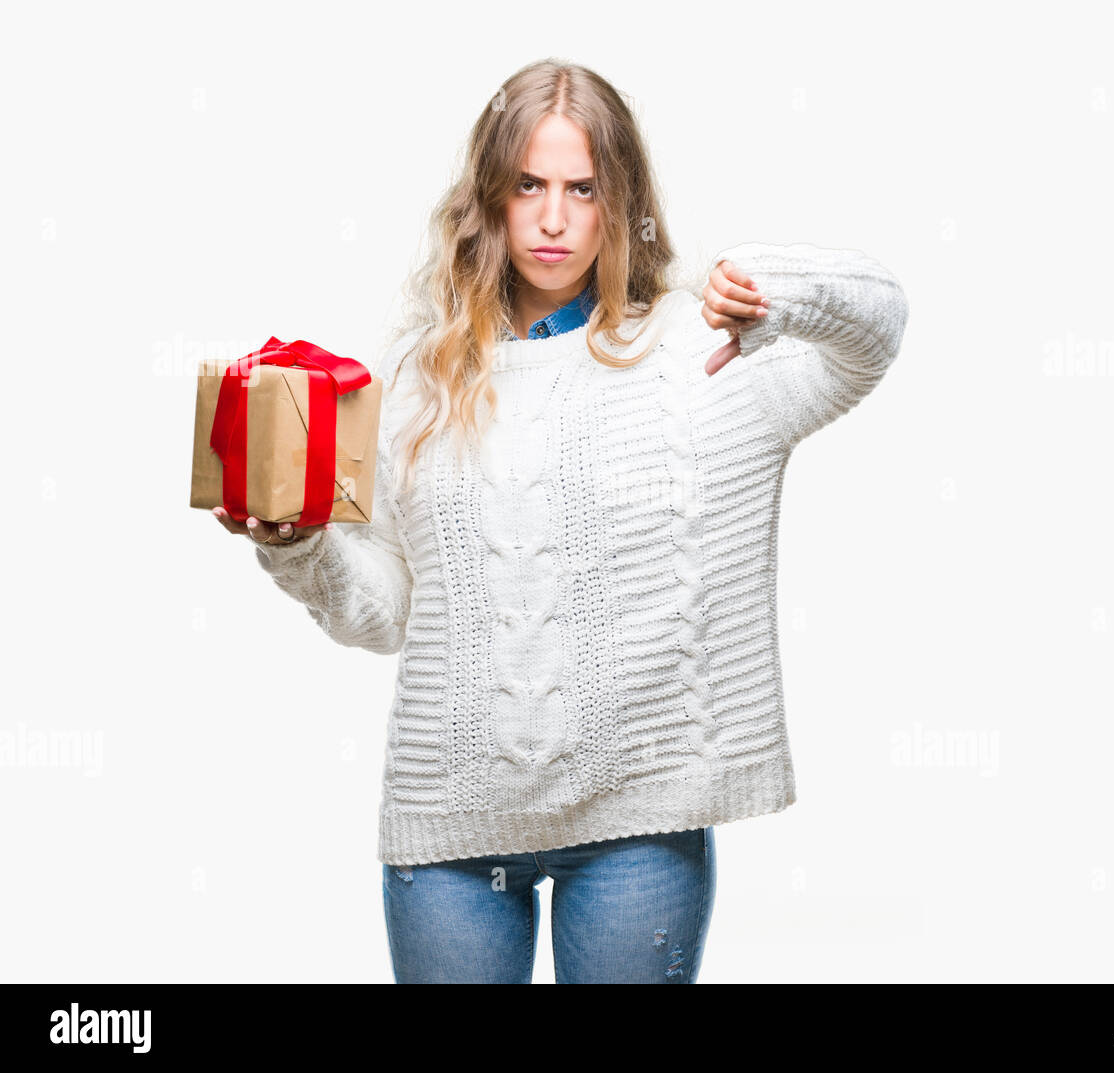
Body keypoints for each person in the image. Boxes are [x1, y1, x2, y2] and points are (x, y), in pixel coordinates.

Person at [212, 59, 909, 984]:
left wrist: (773, 289)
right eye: (528, 186)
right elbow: (385, 612)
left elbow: (876, 332)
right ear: (489, 199)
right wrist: (297, 546)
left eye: (582, 189)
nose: (552, 218)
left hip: (638, 825)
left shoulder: (702, 356)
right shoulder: (421, 380)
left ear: (619, 202)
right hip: (451, 823)